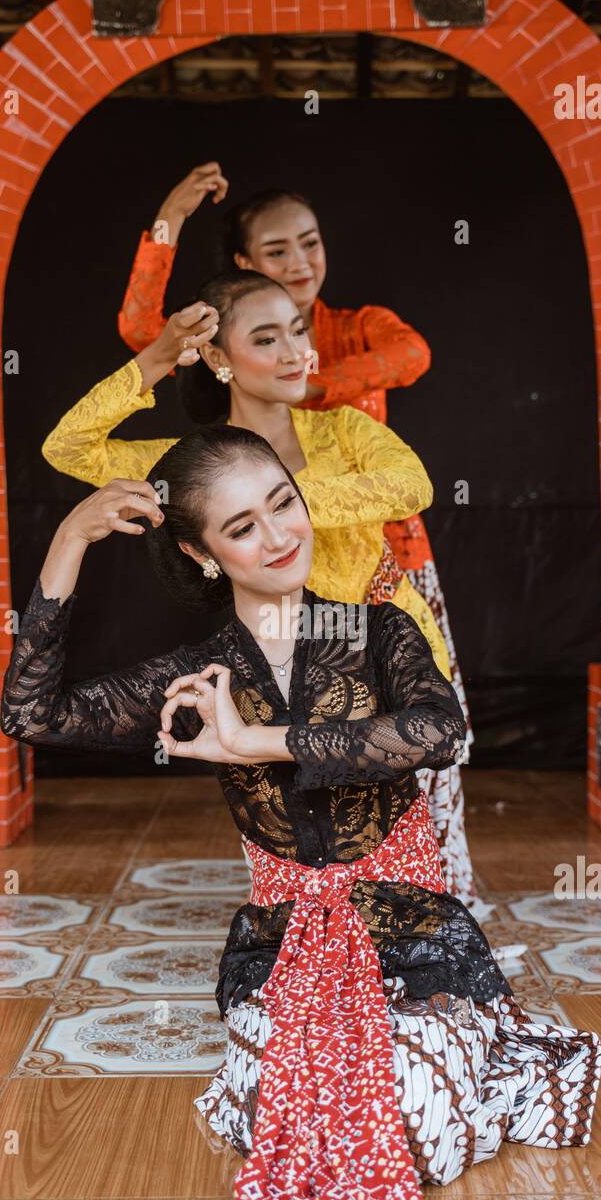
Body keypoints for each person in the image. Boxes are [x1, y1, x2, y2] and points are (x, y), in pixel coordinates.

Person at [0, 426, 601, 1200]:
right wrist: (68, 544)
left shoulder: (376, 628)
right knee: (275, 1122)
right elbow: (30, 716)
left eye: (282, 503)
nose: (279, 535)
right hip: (283, 945)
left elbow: (440, 730)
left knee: (414, 1124)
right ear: (203, 554)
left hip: (409, 929)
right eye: (242, 527)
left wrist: (261, 741)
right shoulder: (198, 672)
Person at [42, 266, 487, 913]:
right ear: (219, 357)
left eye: (298, 332)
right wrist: (156, 359)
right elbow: (69, 449)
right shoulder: (196, 459)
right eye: (267, 338)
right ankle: (322, 956)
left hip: (390, 646)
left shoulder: (342, 430)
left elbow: (411, 487)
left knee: (417, 835)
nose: (294, 353)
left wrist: (263, 501)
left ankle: (424, 956)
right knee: (320, 843)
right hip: (286, 672)